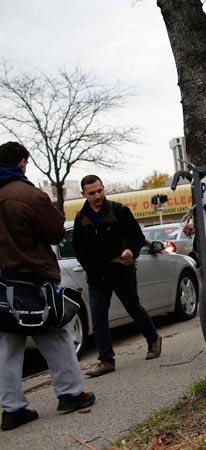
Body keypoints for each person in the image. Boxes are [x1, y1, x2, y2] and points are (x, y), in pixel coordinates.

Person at [0, 141, 95, 431]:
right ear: (21, 162)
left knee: (7, 347)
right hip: (34, 279)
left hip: (3, 284)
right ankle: (71, 394)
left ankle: (12, 409)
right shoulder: (29, 195)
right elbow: (56, 231)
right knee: (56, 336)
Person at [72, 175, 162, 378]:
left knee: (133, 307)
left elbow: (138, 238)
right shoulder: (81, 218)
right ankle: (106, 360)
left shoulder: (119, 210)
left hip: (122, 271)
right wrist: (88, 266)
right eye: (92, 193)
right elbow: (78, 248)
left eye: (99, 191)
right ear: (83, 194)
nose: (97, 196)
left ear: (103, 188)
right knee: (98, 317)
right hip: (97, 277)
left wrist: (131, 250)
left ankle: (153, 338)